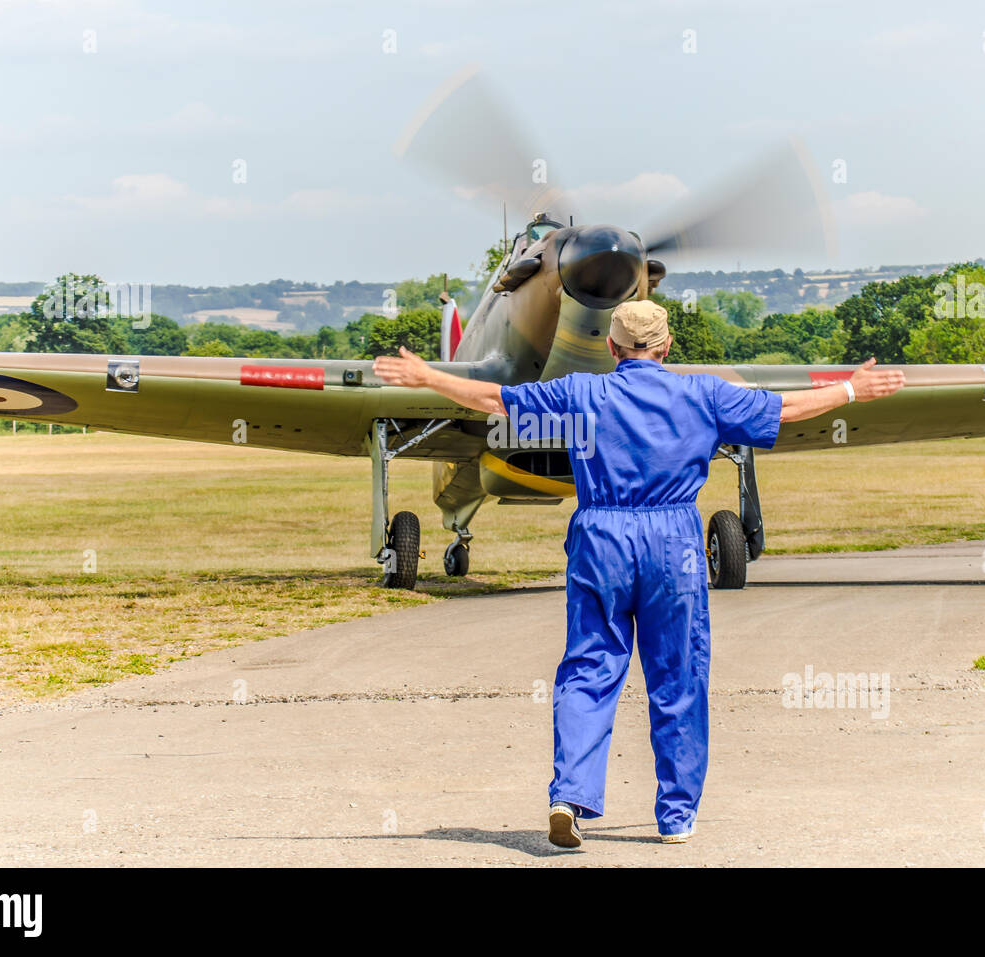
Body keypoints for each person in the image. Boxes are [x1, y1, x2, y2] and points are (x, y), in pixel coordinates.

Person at [373, 299, 906, 848]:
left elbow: (494, 399)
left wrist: (425, 375)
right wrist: (850, 390)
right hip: (672, 542)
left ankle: (570, 796)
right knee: (677, 674)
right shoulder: (703, 393)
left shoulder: (580, 392)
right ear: (667, 345)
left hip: (600, 537)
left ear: (611, 346)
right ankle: (675, 817)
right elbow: (784, 408)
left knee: (589, 666)